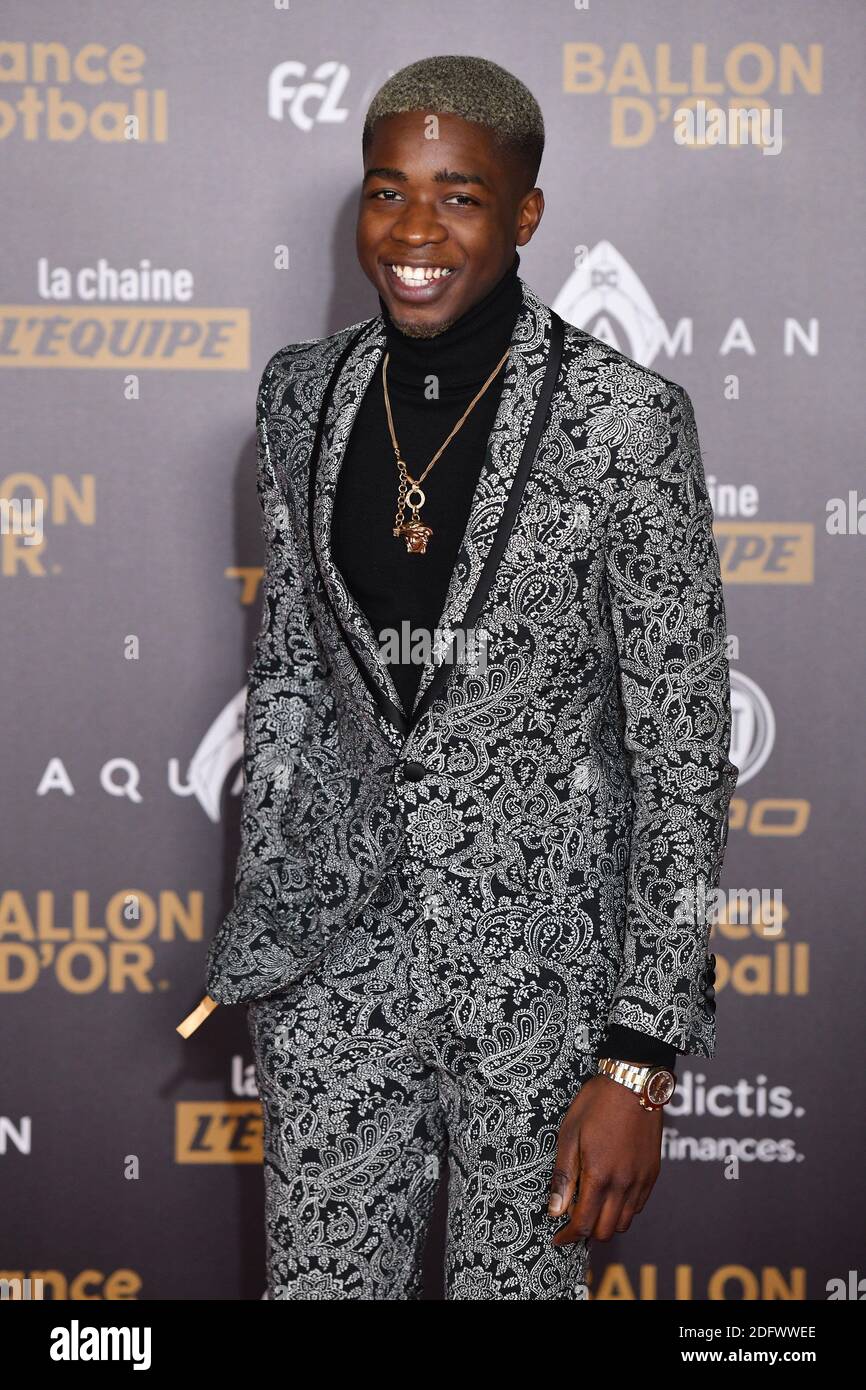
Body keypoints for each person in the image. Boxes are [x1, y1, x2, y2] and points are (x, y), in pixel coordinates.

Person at [186, 54, 737, 1300]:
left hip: (543, 1002)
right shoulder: (297, 397)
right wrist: (276, 915)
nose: (414, 231)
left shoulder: (622, 420)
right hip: (336, 977)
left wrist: (637, 1057)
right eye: (387, 192)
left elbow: (683, 750)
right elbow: (290, 679)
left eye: (458, 195)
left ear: (524, 212)